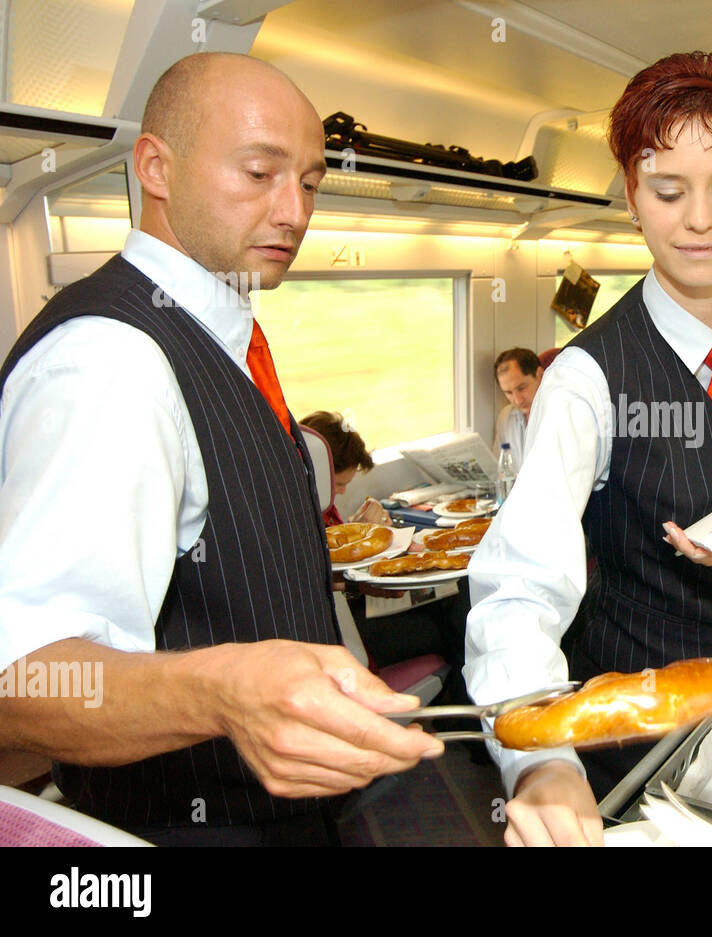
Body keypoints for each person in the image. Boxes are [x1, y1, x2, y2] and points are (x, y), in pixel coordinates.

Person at [0, 53, 441, 846]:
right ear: (156, 167)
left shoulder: (218, 335)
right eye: (259, 172)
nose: (293, 211)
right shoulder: (111, 361)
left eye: (309, 182)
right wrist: (223, 694)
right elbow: (23, 683)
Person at [463, 51, 712, 847]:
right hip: (624, 744)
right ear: (633, 199)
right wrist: (539, 757)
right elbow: (518, 587)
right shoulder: (585, 375)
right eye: (669, 191)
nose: (699, 219)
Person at [300, 410, 389, 526]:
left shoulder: (326, 510)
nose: (343, 491)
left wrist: (357, 526)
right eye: (339, 484)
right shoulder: (298, 516)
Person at [492, 348, 545, 464]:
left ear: (540, 375)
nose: (517, 400)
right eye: (509, 393)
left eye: (521, 388)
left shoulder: (561, 413)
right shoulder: (505, 417)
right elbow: (499, 468)